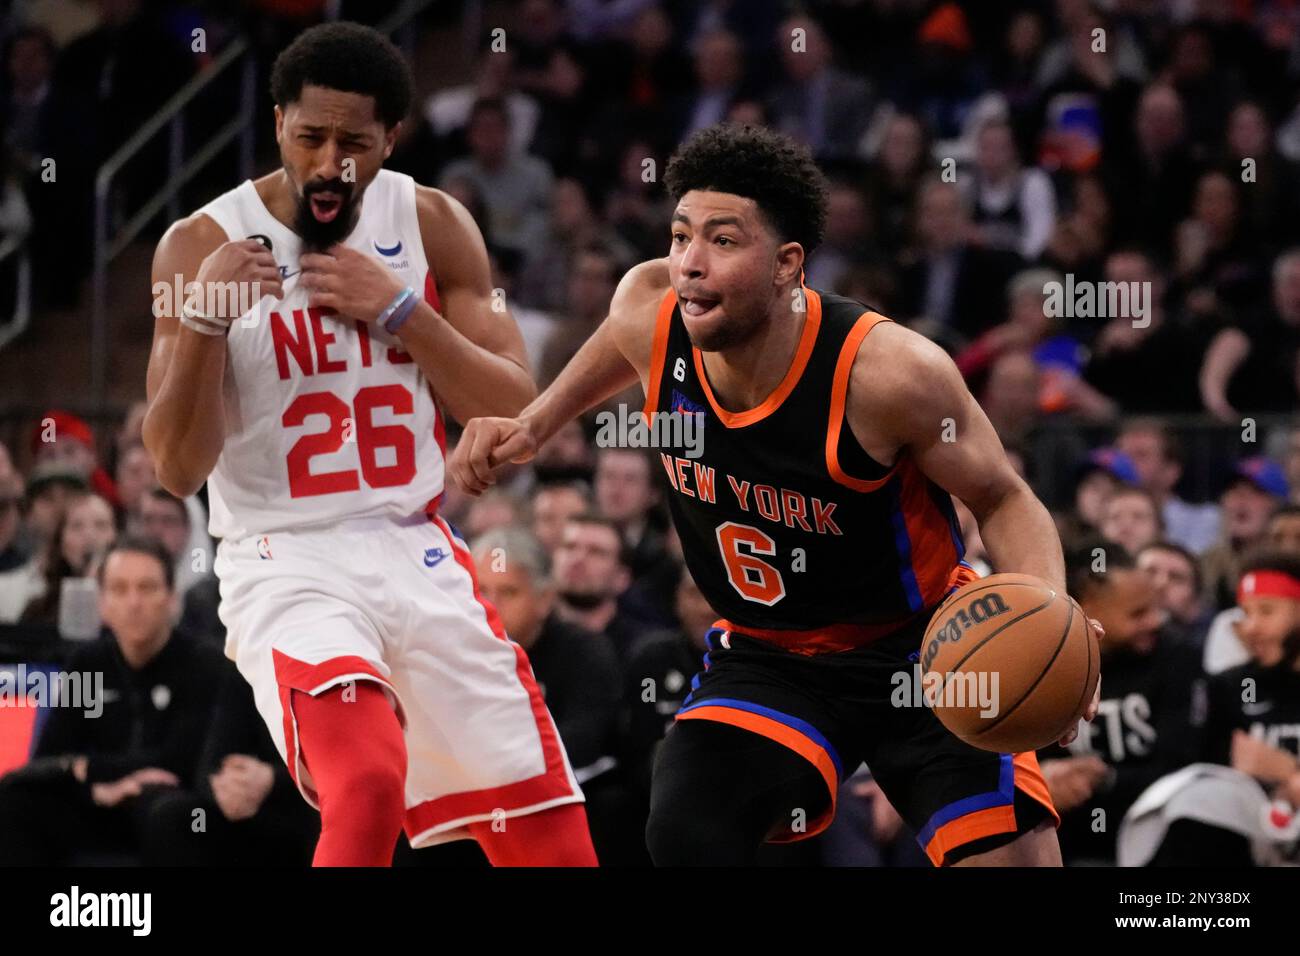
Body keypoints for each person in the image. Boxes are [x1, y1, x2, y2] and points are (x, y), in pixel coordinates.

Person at [452, 122, 1102, 866]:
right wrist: (535, 423)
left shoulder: (888, 374)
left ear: (788, 264)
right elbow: (620, 338)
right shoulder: (653, 305)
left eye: (723, 242)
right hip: (773, 657)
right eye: (680, 235)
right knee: (685, 828)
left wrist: (1050, 617)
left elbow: (1003, 497)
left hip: (926, 649)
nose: (689, 264)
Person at [142, 22, 594, 867]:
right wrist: (204, 321)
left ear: (393, 137)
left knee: (547, 832)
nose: (326, 163)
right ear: (278, 123)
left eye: (353, 143)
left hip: (415, 546)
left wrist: (400, 312)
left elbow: (518, 408)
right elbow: (174, 469)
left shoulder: (433, 222)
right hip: (287, 557)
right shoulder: (198, 245)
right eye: (309, 136)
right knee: (369, 780)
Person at [0, 536, 224, 865]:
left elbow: (180, 762)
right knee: (15, 799)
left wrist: (88, 770)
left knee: (175, 811)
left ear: (172, 598)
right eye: (119, 589)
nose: (133, 602)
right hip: (100, 802)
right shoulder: (88, 665)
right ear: (102, 604)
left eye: (147, 588)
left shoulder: (202, 662)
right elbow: (49, 760)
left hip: (171, 809)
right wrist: (96, 783)